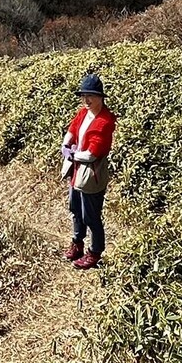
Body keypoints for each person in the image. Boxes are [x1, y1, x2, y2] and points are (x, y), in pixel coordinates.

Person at [60, 71, 115, 269]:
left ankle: (95, 252)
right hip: (77, 171)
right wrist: (66, 144)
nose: (86, 99)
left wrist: (72, 154)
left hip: (91, 172)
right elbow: (73, 129)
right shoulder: (84, 112)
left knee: (91, 215)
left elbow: (93, 153)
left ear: (100, 97)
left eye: (90, 95)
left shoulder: (105, 121)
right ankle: (77, 243)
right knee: (75, 209)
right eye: (84, 95)